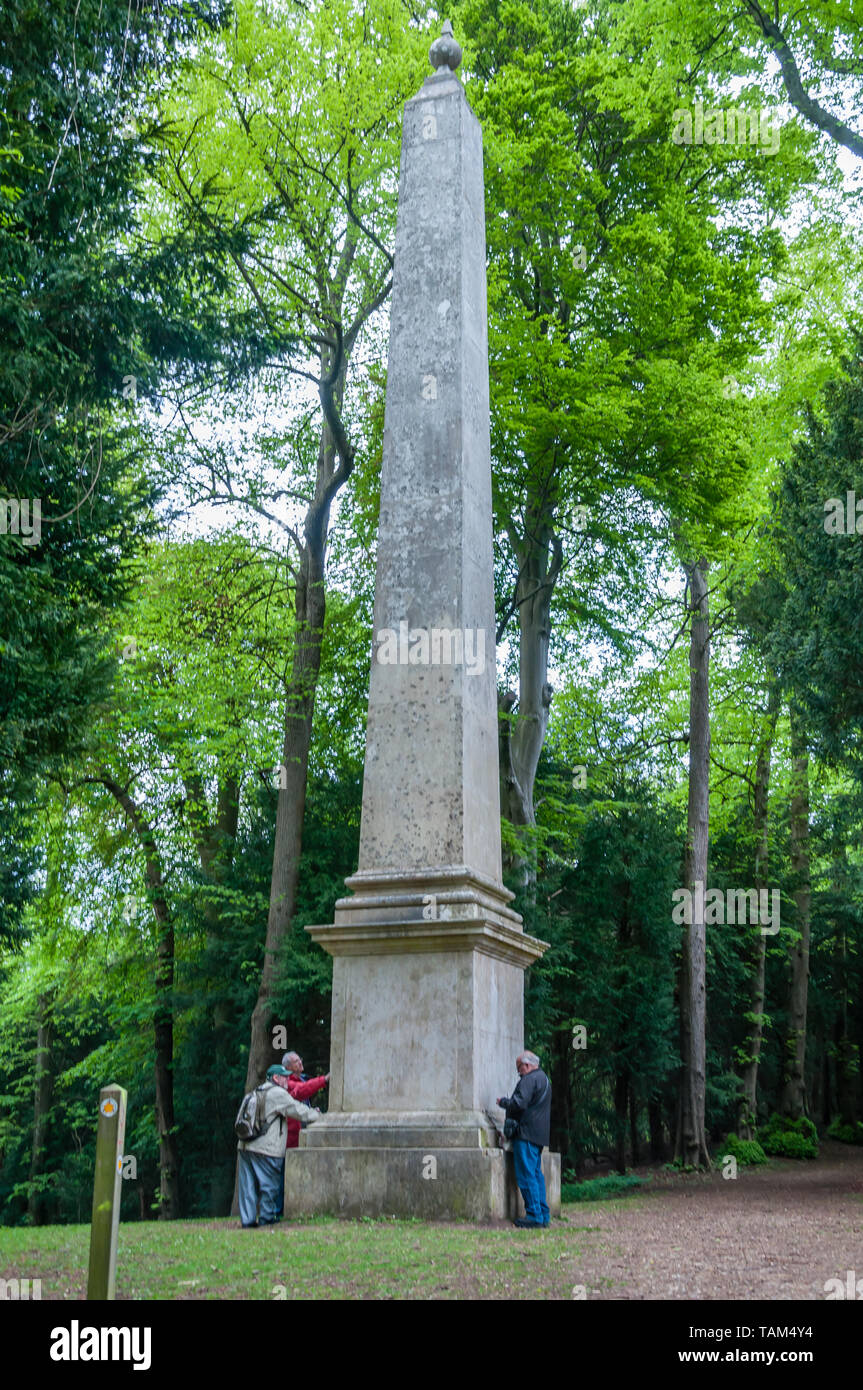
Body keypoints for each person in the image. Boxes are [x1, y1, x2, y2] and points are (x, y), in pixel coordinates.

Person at [237, 1065, 321, 1228]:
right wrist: (317, 1115)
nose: (288, 1080)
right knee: (269, 1184)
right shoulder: (277, 1094)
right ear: (276, 1078)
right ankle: (266, 1217)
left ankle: (247, 1220)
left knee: (247, 1185)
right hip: (267, 1148)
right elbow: (297, 1110)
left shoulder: (256, 1091)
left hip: (245, 1145)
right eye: (285, 1077)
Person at [270, 1051, 330, 1220]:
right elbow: (301, 1091)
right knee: (280, 1176)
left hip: (297, 1137)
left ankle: (282, 1209)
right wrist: (323, 1080)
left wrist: (311, 1112)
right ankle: (276, 1211)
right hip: (287, 1139)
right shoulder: (287, 1084)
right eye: (297, 1062)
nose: (300, 1063)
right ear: (288, 1067)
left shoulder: (301, 1078)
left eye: (300, 1060)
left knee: (287, 1175)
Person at [497, 1050, 552, 1229]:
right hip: (538, 1135)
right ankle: (543, 1214)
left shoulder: (529, 1080)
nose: (518, 1072)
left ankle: (534, 1216)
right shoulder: (544, 1079)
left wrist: (503, 1102)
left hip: (526, 1134)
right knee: (536, 1175)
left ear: (527, 1065)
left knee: (526, 1175)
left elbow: (519, 1103)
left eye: (519, 1068)